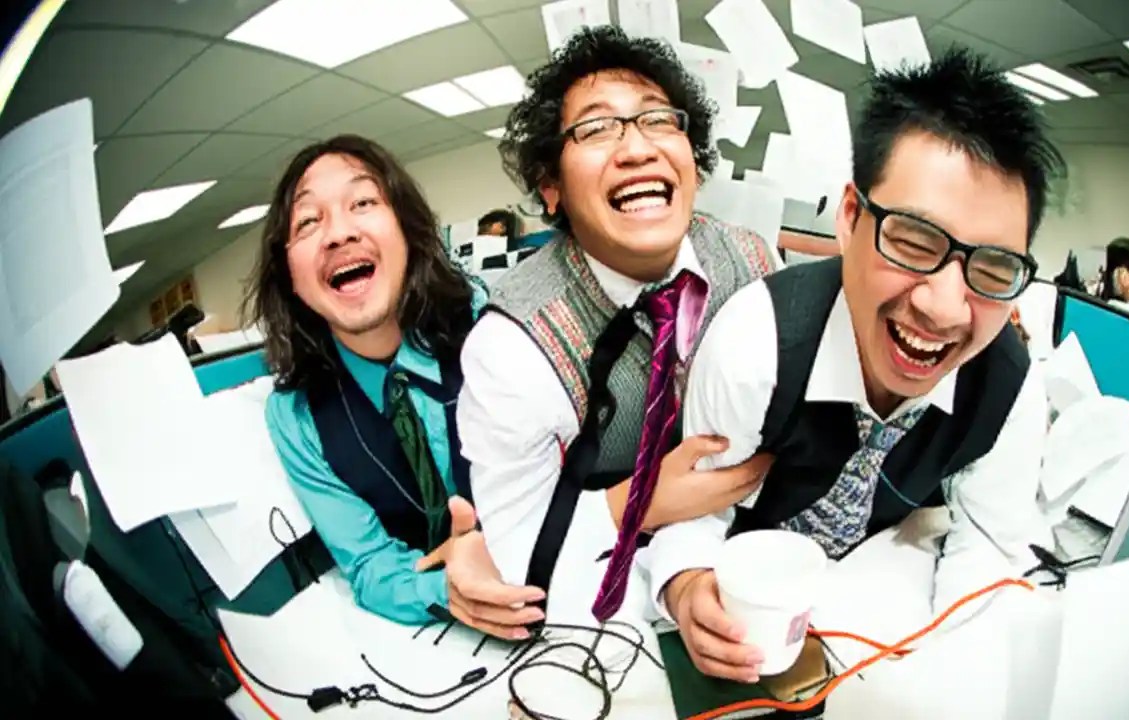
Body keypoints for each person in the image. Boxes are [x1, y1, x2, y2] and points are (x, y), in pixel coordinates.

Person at [646, 47, 1065, 682]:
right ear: (849, 219)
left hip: (877, 614)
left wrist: (948, 671)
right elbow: (695, 514)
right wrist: (685, 587)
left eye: (995, 269)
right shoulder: (755, 343)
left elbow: (988, 547)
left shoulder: (1008, 389)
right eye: (914, 240)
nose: (946, 308)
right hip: (754, 614)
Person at [440, 26, 781, 640]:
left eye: (658, 121)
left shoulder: (754, 266)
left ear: (693, 161)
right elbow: (523, 556)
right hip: (606, 619)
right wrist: (643, 506)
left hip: (761, 575)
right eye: (596, 129)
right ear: (552, 190)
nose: (637, 149)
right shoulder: (513, 345)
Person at [244, 134, 483, 625]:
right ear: (289, 273)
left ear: (407, 230)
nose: (337, 234)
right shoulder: (295, 416)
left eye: (363, 202)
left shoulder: (485, 324)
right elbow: (370, 566)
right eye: (308, 221)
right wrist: (449, 588)